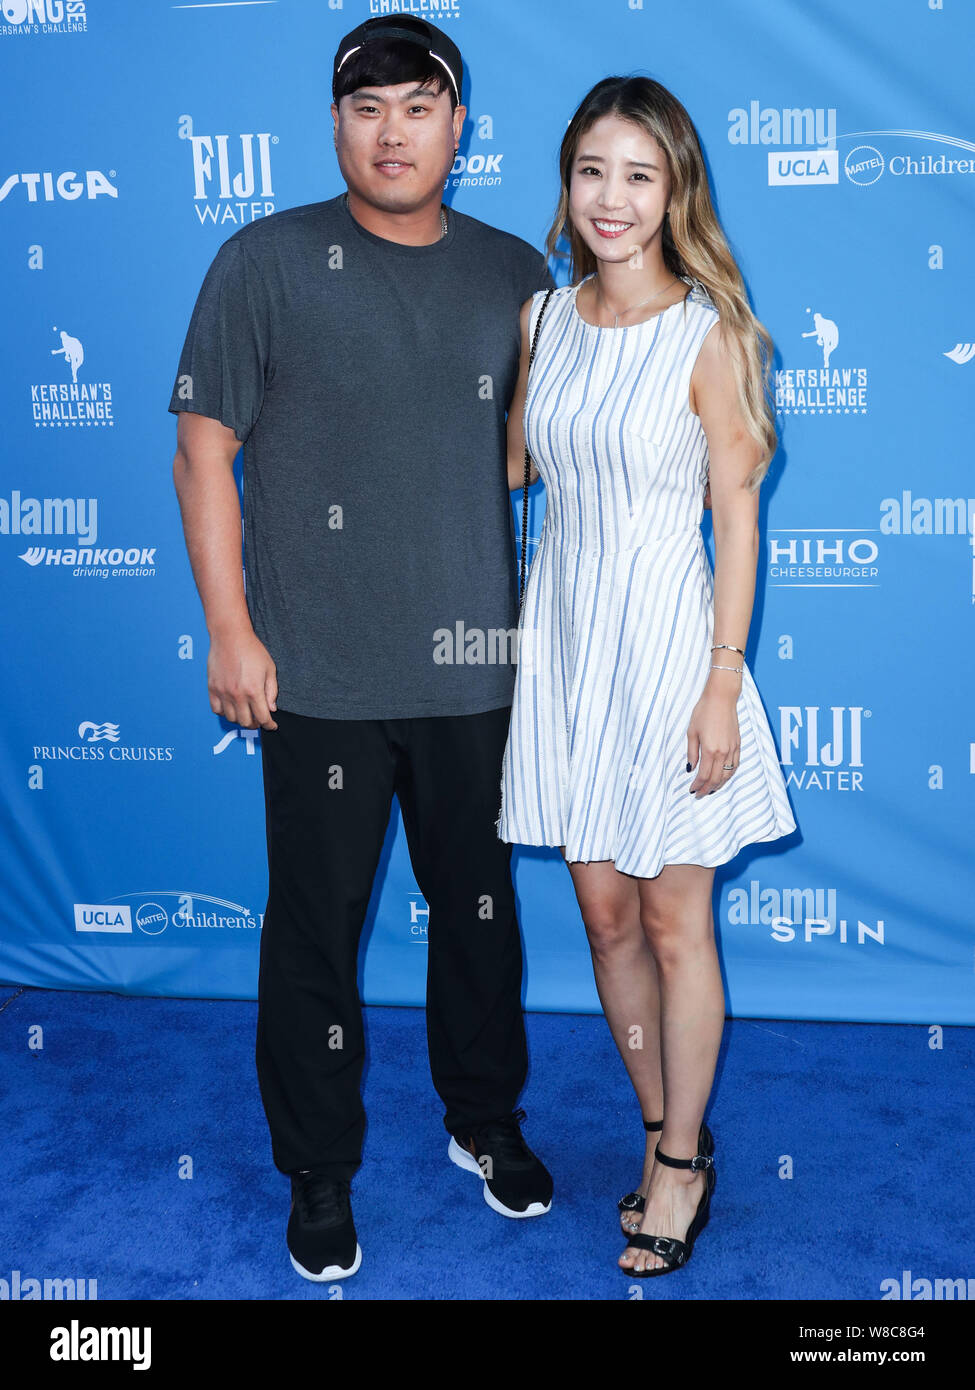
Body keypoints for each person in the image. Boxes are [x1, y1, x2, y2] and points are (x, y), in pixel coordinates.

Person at [169, 15, 555, 1284]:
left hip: (472, 669)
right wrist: (231, 626)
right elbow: (203, 450)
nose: (392, 132)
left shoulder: (516, 274)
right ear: (334, 124)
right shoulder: (264, 262)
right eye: (366, 108)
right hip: (316, 673)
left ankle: (483, 1120)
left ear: (460, 125)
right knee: (317, 928)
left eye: (418, 106)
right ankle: (319, 1170)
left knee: (481, 914)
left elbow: (524, 460)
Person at [497, 75, 797, 1276]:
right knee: (605, 916)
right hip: (566, 656)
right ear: (565, 183)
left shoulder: (711, 336)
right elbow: (518, 462)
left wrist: (721, 683)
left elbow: (740, 522)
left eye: (639, 175)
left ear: (675, 192)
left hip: (674, 656)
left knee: (675, 918)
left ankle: (678, 1163)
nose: (611, 199)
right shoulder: (541, 320)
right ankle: (658, 1122)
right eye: (592, 171)